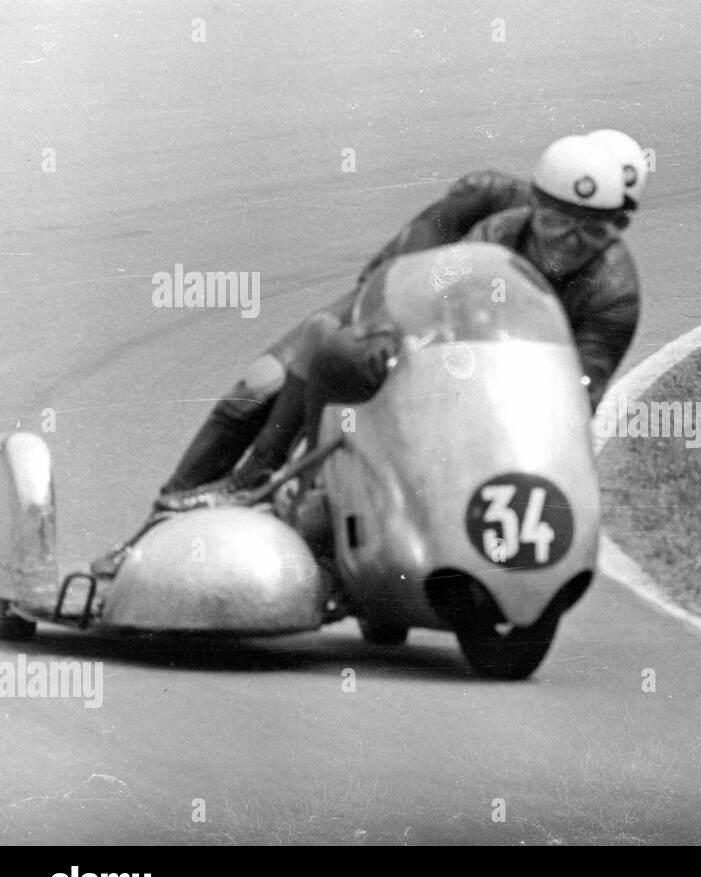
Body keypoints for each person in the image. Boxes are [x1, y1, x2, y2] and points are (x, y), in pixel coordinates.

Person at [91, 132, 645, 576]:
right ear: (536, 202)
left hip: (488, 382)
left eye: (593, 233)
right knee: (268, 377)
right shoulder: (493, 217)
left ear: (618, 225)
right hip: (393, 309)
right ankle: (179, 509)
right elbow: (415, 277)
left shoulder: (613, 293)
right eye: (555, 222)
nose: (566, 243)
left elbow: (582, 392)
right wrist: (391, 328)